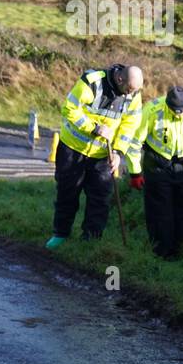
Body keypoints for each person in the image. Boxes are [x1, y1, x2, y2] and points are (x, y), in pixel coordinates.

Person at [47, 64, 143, 249]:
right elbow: (69, 109)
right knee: (67, 192)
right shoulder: (92, 81)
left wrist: (118, 152)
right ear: (120, 79)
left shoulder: (134, 94)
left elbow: (130, 125)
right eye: (129, 89)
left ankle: (91, 240)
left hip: (103, 155)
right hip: (73, 147)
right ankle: (60, 234)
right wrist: (94, 128)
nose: (131, 94)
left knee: (100, 197)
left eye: (135, 90)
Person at [125, 85, 183, 260]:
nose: (178, 115)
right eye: (174, 111)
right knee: (160, 210)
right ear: (167, 105)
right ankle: (162, 252)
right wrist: (135, 173)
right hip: (158, 164)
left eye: (181, 112)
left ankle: (179, 247)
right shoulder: (152, 110)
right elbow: (134, 143)